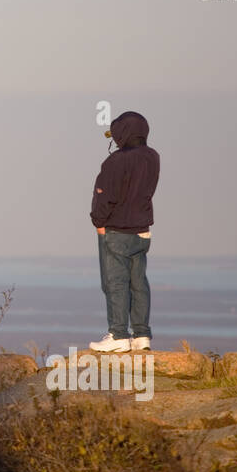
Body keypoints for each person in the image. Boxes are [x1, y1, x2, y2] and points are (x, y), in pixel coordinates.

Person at [89, 111, 160, 353]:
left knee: (115, 282)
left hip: (116, 230)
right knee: (138, 282)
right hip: (142, 231)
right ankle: (141, 334)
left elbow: (104, 194)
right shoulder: (153, 157)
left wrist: (98, 222)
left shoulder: (115, 161)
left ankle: (118, 334)